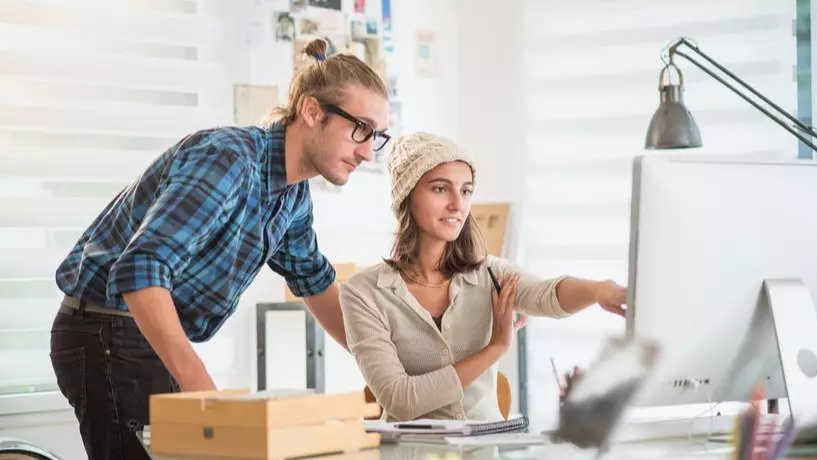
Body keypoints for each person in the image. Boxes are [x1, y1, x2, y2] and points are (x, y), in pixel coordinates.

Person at [49, 38, 390, 460]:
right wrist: (201, 386)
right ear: (312, 111)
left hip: (138, 333)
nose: (366, 151)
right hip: (105, 329)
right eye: (360, 129)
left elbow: (315, 283)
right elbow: (141, 269)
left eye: (376, 136)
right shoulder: (230, 159)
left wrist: (382, 367)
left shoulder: (293, 195)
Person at [339, 132, 626, 422]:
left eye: (465, 191)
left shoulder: (491, 274)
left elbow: (546, 295)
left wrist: (599, 291)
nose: (457, 204)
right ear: (406, 195)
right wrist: (495, 349)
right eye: (440, 189)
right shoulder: (362, 293)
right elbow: (400, 401)